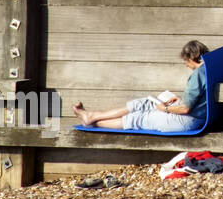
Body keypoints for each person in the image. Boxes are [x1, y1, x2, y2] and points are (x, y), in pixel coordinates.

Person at [72, 41, 209, 132]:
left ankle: (93, 123)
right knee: (144, 103)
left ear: (191, 58)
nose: (185, 64)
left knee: (139, 118)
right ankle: (92, 116)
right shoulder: (209, 69)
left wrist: (165, 108)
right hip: (195, 115)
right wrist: (178, 100)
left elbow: (185, 109)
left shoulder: (197, 75)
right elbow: (198, 98)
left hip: (187, 121)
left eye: (185, 61)